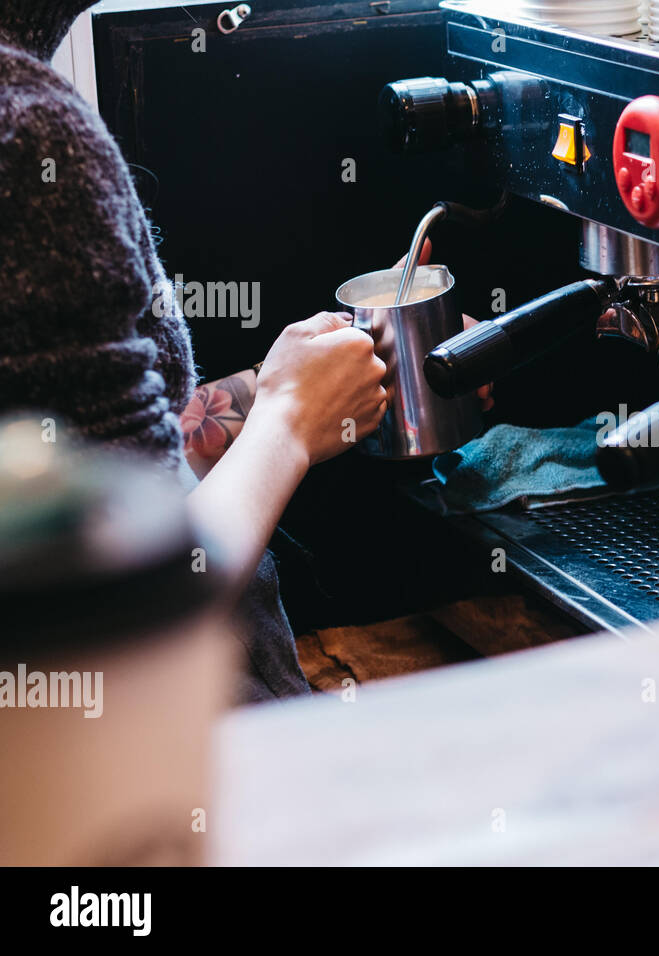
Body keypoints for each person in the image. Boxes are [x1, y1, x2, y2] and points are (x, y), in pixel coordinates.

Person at [0, 2, 485, 702]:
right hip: (186, 763)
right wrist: (287, 421)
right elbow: (126, 618)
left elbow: (103, 467)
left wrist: (278, 384)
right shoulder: (25, 132)